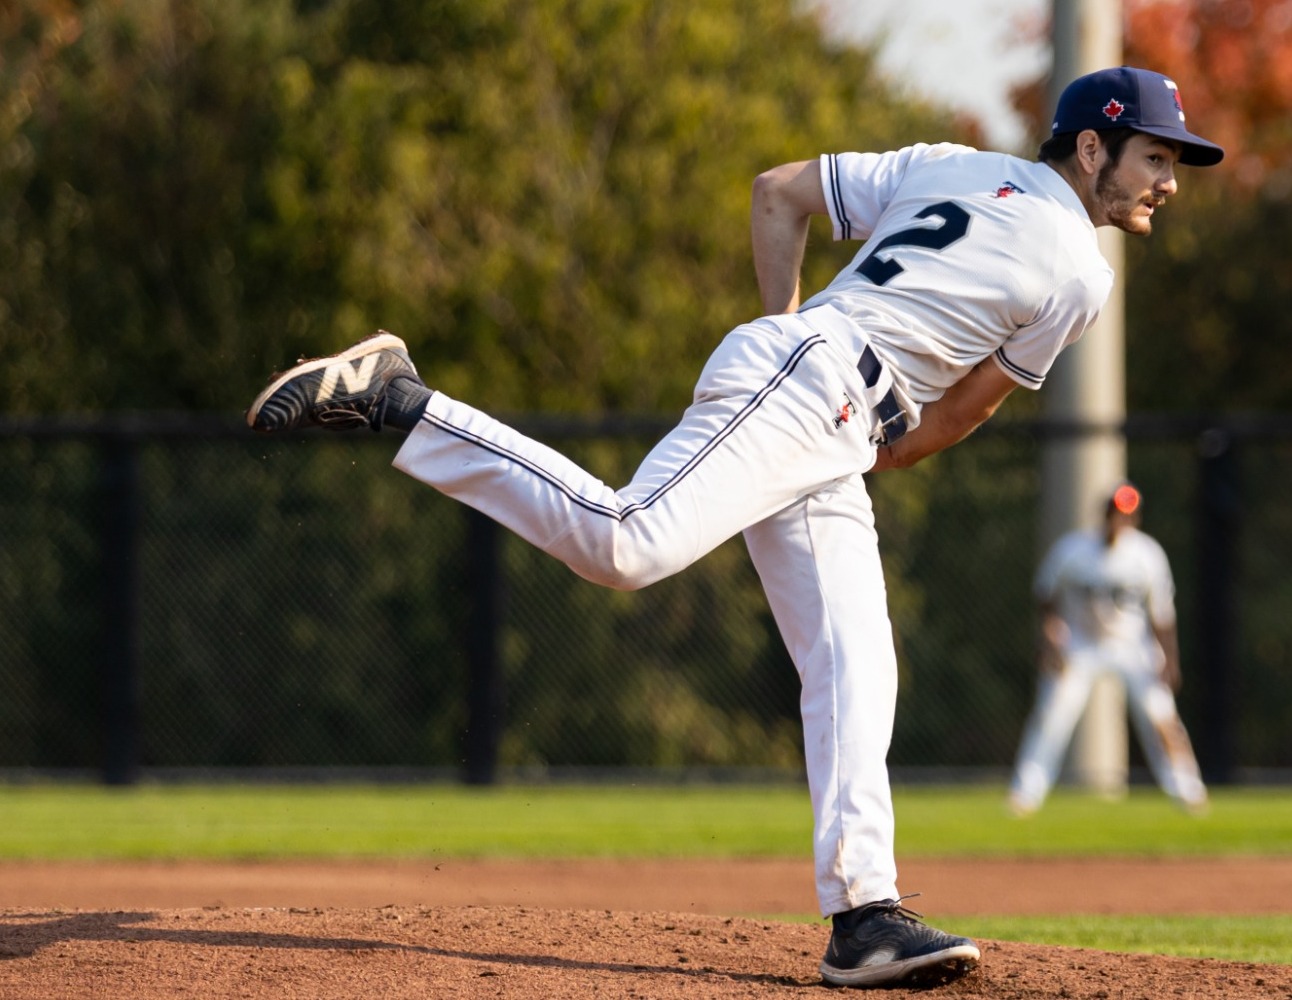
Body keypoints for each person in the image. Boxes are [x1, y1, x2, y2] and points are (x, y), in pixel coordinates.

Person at [245, 66, 1222, 987]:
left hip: (817, 388)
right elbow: (960, 414)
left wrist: (789, 333)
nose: (1167, 181)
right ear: (1091, 150)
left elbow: (777, 192)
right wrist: (828, 392)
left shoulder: (949, 164)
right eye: (1154, 156)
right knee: (624, 547)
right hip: (820, 392)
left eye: (1171, 163)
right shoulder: (1081, 277)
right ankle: (400, 400)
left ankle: (865, 918)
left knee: (856, 661)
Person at [1007, 484, 1211, 817]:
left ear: (1136, 519)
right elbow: (1046, 596)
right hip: (1081, 643)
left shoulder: (1146, 554)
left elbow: (1162, 615)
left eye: (1128, 515)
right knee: (1052, 715)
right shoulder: (1073, 550)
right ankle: (1025, 793)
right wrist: (1051, 638)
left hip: (1132, 645)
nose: (1121, 520)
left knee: (1161, 716)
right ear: (1106, 515)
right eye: (1117, 513)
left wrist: (1169, 660)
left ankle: (1187, 789)